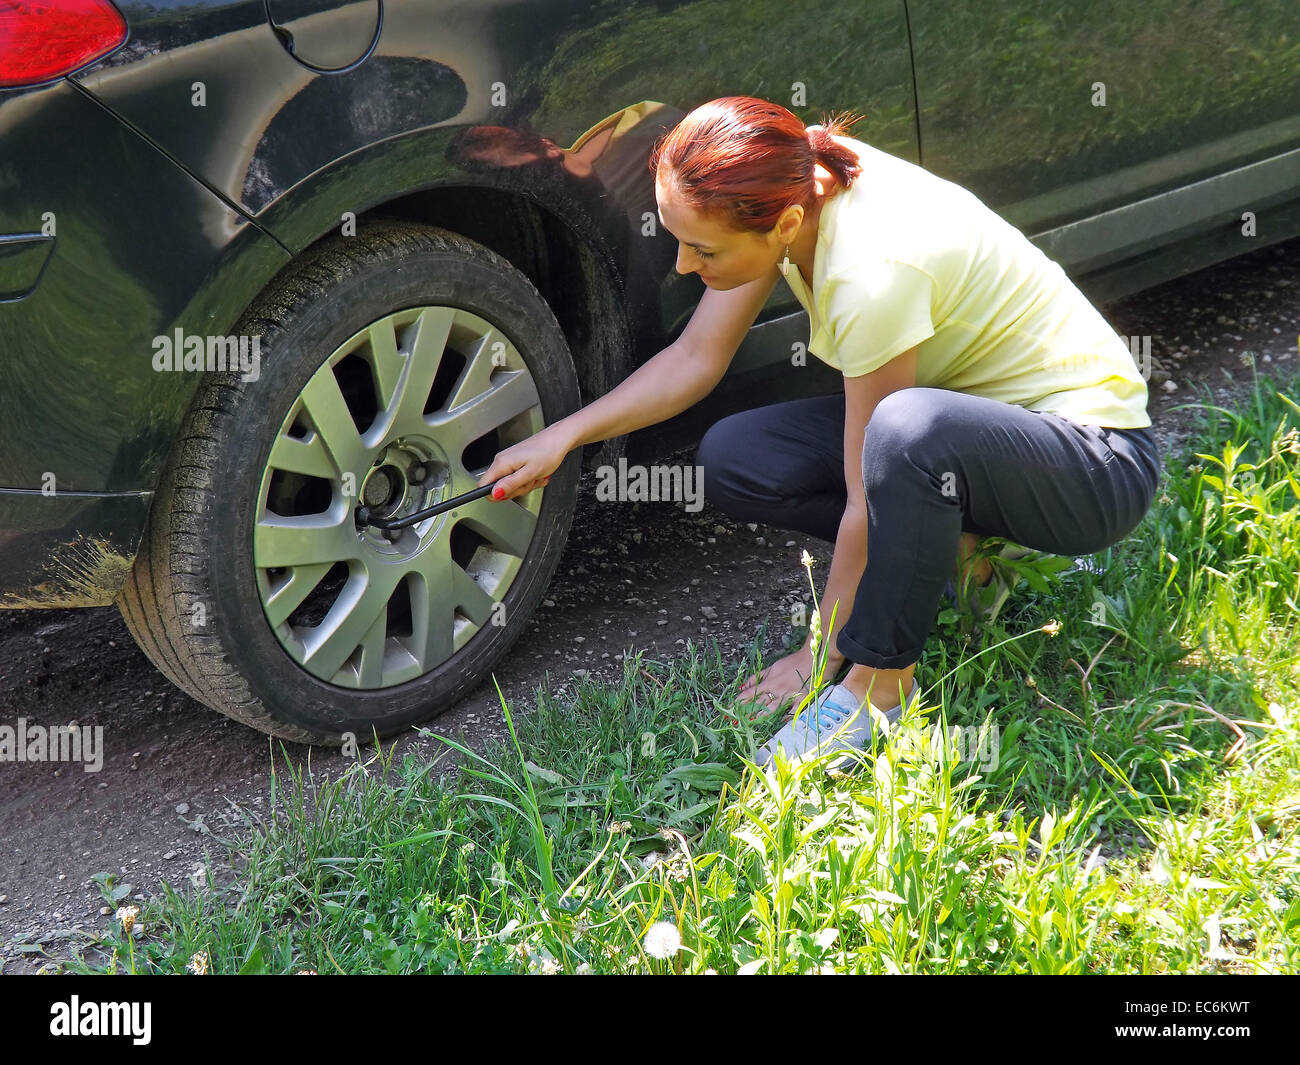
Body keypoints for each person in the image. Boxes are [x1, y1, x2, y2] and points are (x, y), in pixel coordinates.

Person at [477, 95, 1161, 769]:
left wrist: (820, 650)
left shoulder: (871, 272)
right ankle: (956, 549)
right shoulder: (785, 178)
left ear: (785, 224)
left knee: (901, 433)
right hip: (975, 431)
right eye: (680, 240)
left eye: (700, 250)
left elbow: (870, 489)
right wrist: (563, 437)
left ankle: (877, 691)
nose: (685, 266)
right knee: (736, 456)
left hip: (1093, 463)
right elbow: (695, 357)